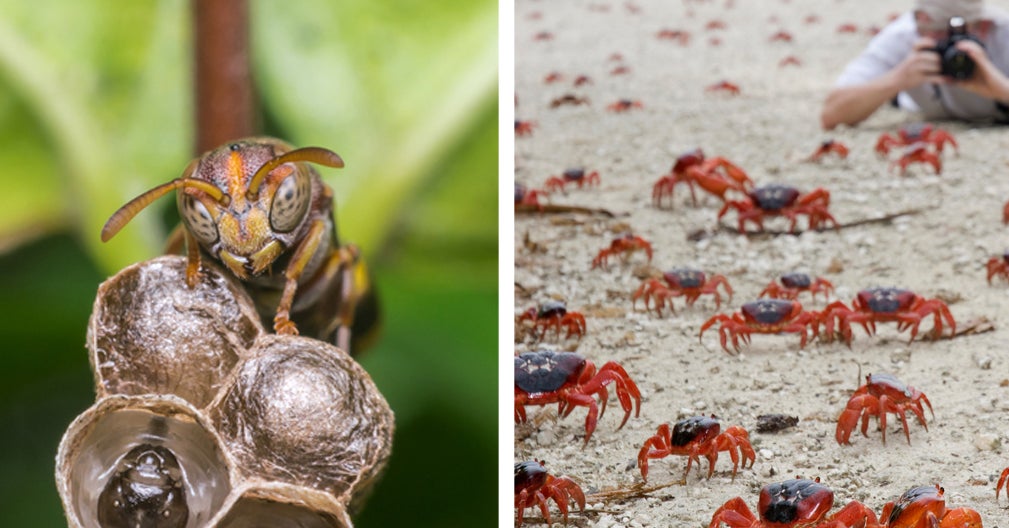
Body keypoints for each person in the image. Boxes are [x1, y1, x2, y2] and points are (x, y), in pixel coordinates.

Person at [821, 0, 1009, 130]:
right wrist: (897, 79)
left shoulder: (1003, 33)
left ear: (983, 26)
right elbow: (831, 115)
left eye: (953, 35)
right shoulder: (902, 36)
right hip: (917, 109)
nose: (941, 44)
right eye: (928, 31)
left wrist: (1000, 89)